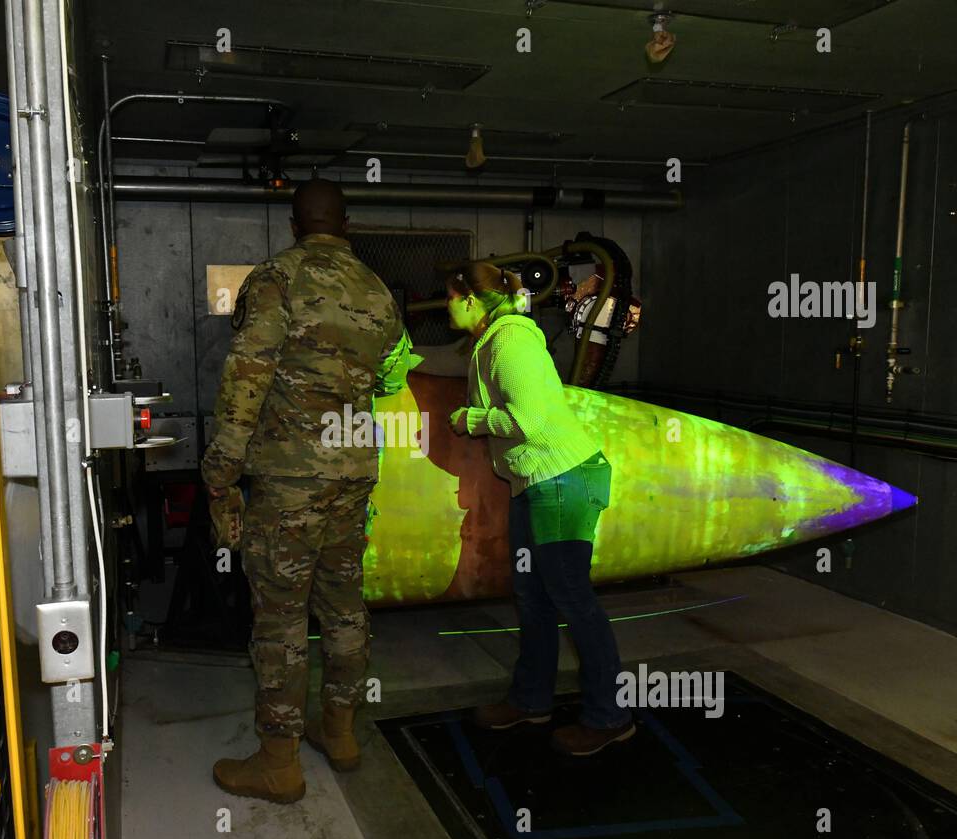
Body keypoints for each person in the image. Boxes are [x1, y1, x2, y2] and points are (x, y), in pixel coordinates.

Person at [201, 178, 417, 802]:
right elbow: (390, 374)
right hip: (352, 473)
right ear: (345, 223)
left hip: (290, 481)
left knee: (281, 619)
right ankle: (341, 734)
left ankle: (278, 762)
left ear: (295, 225)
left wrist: (220, 472)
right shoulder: (377, 290)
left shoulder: (276, 278)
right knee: (344, 605)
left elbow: (246, 378)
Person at [446, 261, 634, 756]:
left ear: (469, 301)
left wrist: (472, 418)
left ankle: (609, 716)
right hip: (537, 483)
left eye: (449, 297)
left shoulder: (512, 341)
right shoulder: (491, 342)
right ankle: (531, 701)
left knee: (572, 598)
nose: (444, 306)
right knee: (533, 598)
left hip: (563, 479)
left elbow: (528, 419)